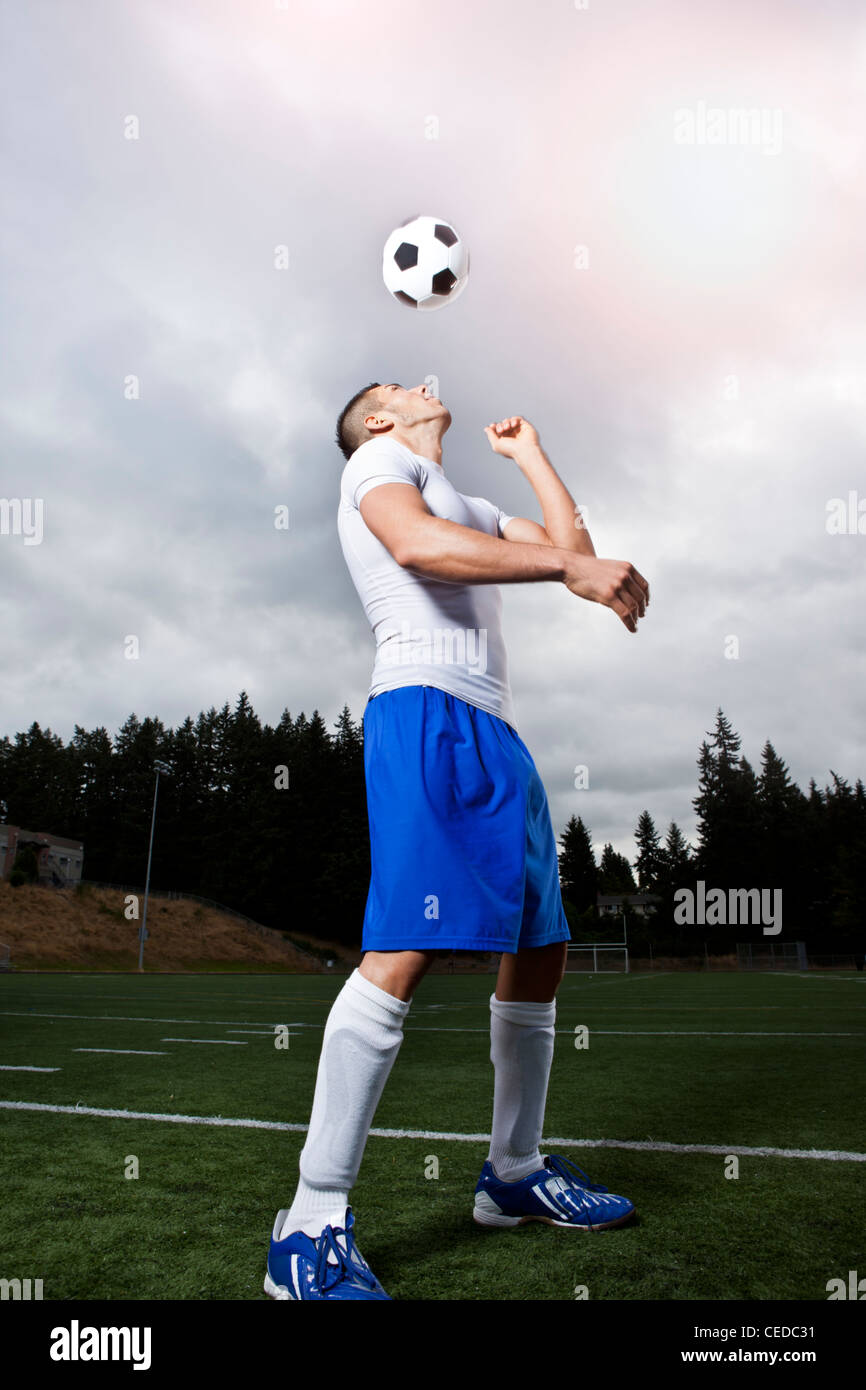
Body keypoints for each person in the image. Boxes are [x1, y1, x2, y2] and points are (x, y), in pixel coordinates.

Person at [264, 381, 650, 1300]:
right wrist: (564, 572)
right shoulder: (378, 463)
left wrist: (530, 455)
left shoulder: (468, 500)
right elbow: (417, 546)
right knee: (404, 950)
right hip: (424, 712)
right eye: (396, 387)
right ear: (381, 422)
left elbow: (573, 554)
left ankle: (512, 1177)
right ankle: (310, 1223)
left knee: (542, 947)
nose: (419, 384)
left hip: (493, 730)